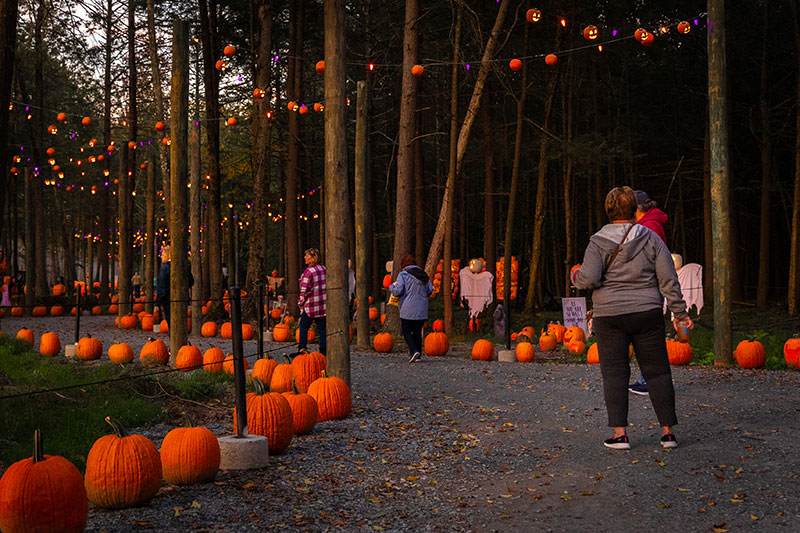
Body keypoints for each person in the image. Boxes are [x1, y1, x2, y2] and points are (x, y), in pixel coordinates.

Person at [571, 186, 692, 450]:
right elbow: (668, 278)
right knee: (658, 372)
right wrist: (680, 314)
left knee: (615, 373)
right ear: (634, 209)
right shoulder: (651, 238)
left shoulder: (597, 241)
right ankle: (668, 434)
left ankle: (620, 435)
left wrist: (575, 276)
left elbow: (588, 279)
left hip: (609, 315)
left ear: (609, 210)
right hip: (647, 312)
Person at [628, 190, 669, 396]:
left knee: (647, 335)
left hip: (650, 285)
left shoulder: (649, 226)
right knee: (647, 333)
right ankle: (647, 380)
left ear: (637, 208)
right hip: (650, 284)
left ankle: (649, 382)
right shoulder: (648, 224)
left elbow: (653, 258)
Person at [389, 254, 434, 363]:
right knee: (417, 332)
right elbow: (430, 289)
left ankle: (414, 351)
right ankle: (418, 355)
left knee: (406, 331)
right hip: (422, 308)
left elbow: (398, 291)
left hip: (408, 308)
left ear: (403, 265)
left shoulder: (403, 275)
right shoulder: (423, 274)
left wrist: (391, 287)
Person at [297, 248, 327, 355]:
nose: (305, 257)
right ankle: (323, 351)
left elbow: (304, 290)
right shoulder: (323, 268)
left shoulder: (308, 272)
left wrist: (300, 302)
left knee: (303, 327)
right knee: (322, 329)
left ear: (314, 258)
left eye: (307, 255)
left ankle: (302, 348)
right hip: (323, 305)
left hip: (310, 305)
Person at [156, 247, 172, 327]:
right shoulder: (183, 266)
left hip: (168, 299)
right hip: (182, 299)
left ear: (167, 255)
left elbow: (161, 287)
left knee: (170, 323)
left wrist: (157, 303)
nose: (161, 256)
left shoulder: (164, 268)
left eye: (162, 255)